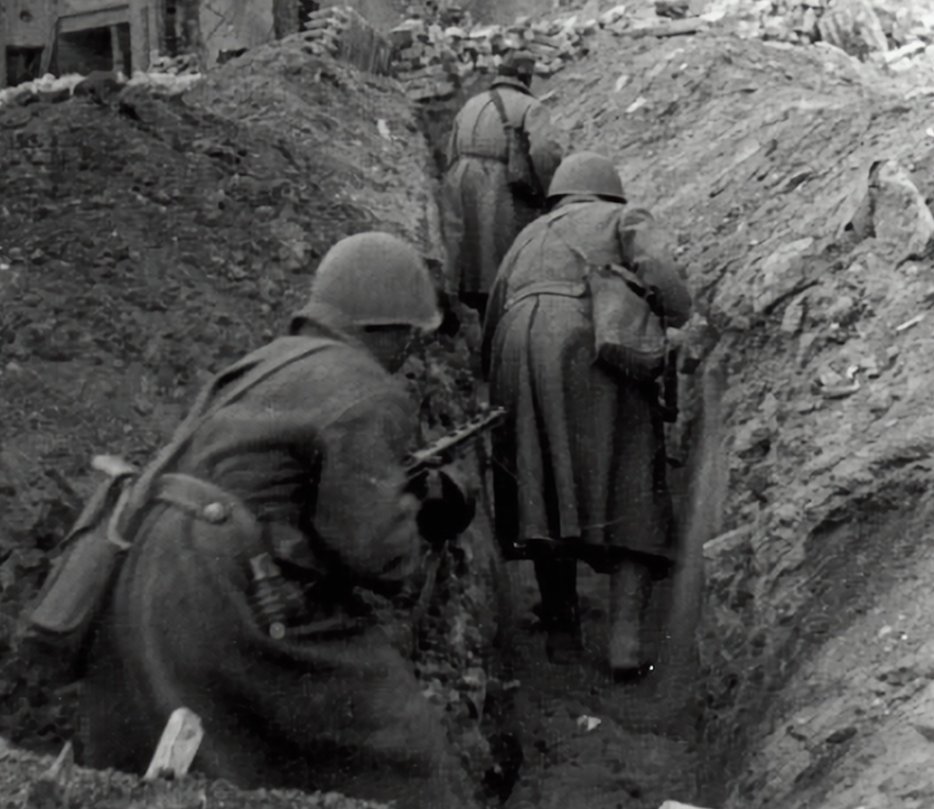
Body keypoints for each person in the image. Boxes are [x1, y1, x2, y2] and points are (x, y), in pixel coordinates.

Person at [78, 232, 475, 809]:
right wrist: (417, 509)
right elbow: (377, 557)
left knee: (209, 767)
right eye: (408, 335)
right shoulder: (365, 388)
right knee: (401, 746)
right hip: (227, 587)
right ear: (382, 328)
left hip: (146, 570)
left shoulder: (260, 364)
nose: (409, 353)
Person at [481, 153, 692, 677]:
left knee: (542, 488)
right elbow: (662, 274)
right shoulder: (623, 218)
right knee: (632, 481)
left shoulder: (526, 237)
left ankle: (561, 629)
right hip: (590, 345)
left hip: (516, 350)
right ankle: (624, 643)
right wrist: (681, 316)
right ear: (609, 193)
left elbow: (490, 320)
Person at [440, 48, 563, 323]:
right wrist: (552, 193)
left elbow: (450, 150)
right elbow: (545, 153)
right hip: (495, 182)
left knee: (465, 251)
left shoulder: (471, 104)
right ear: (527, 78)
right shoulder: (530, 107)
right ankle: (498, 319)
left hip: (457, 178)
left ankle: (459, 308)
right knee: (497, 256)